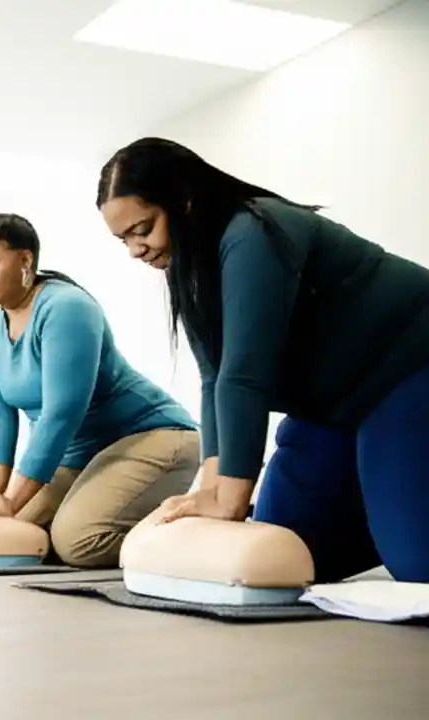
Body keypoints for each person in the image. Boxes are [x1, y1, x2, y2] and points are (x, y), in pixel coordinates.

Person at [96, 137, 429, 583]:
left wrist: (231, 498)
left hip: (407, 371)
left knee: (416, 565)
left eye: (143, 228)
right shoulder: (190, 270)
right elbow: (214, 378)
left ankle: (400, 521)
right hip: (334, 409)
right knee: (280, 555)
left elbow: (244, 373)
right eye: (124, 240)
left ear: (185, 200)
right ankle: (390, 510)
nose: (137, 249)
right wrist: (210, 488)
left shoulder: (256, 231)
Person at [0, 214, 200, 568]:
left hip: (152, 438)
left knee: (78, 543)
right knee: (10, 536)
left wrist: (13, 499)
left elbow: (62, 413)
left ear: (25, 260)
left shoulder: (66, 308)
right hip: (79, 453)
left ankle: (197, 534)